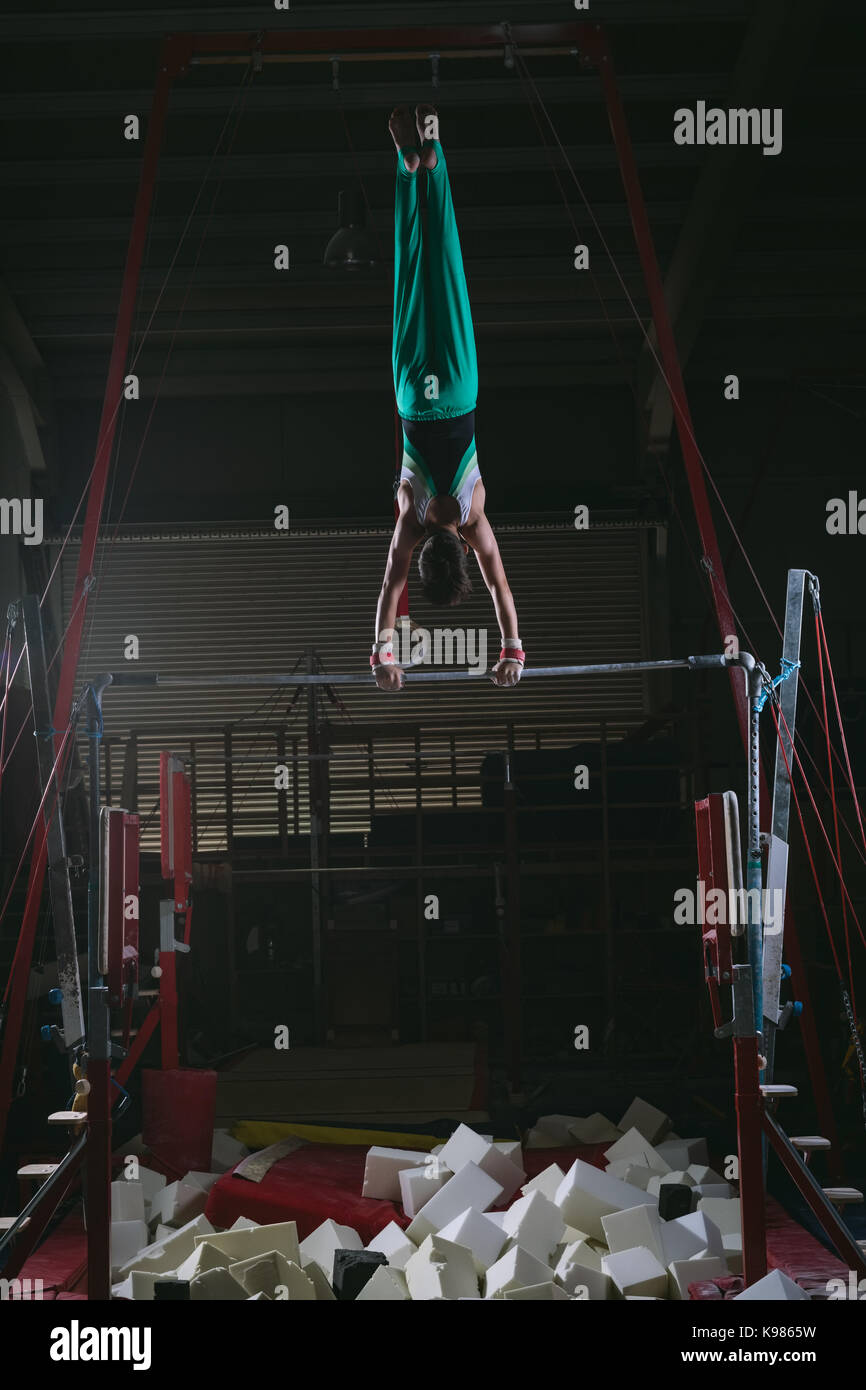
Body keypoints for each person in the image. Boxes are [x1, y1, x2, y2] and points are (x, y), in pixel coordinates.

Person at [371, 105, 525, 692]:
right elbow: (390, 591)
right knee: (412, 278)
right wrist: (381, 656)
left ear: (457, 550)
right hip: (413, 393)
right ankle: (410, 167)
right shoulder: (409, 525)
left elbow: (499, 587)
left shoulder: (472, 515)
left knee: (447, 271)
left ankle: (434, 157)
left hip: (459, 391)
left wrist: (514, 650)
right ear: (426, 557)